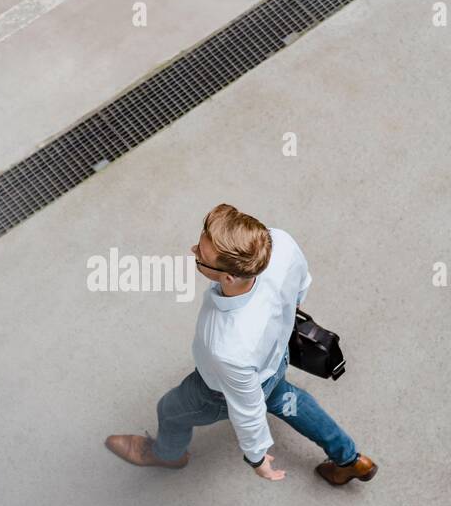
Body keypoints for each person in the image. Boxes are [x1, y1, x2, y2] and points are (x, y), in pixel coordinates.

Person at [104, 204, 377, 486]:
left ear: (229, 278)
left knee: (170, 410)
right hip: (276, 358)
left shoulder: (225, 344)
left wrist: (257, 458)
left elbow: (247, 410)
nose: (193, 250)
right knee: (285, 398)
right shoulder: (280, 242)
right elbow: (300, 286)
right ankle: (350, 459)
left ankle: (168, 454)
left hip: (218, 391)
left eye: (201, 255)